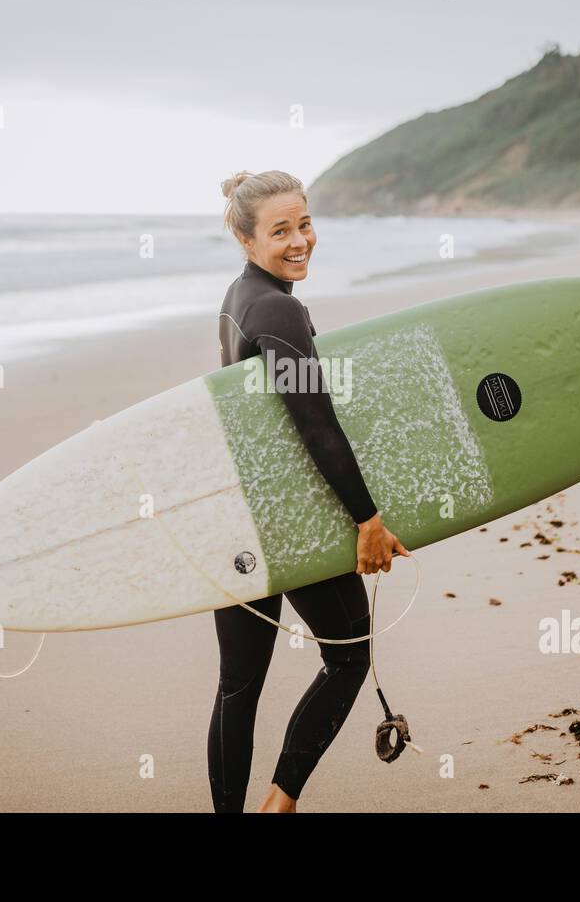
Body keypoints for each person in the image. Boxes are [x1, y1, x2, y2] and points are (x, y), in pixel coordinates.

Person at [210, 169, 410, 813]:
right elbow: (316, 426)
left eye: (304, 224)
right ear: (246, 239)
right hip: (287, 521)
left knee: (239, 687)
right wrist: (367, 520)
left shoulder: (237, 298)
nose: (299, 241)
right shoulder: (279, 309)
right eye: (280, 231)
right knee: (348, 658)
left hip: (241, 516)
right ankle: (280, 803)